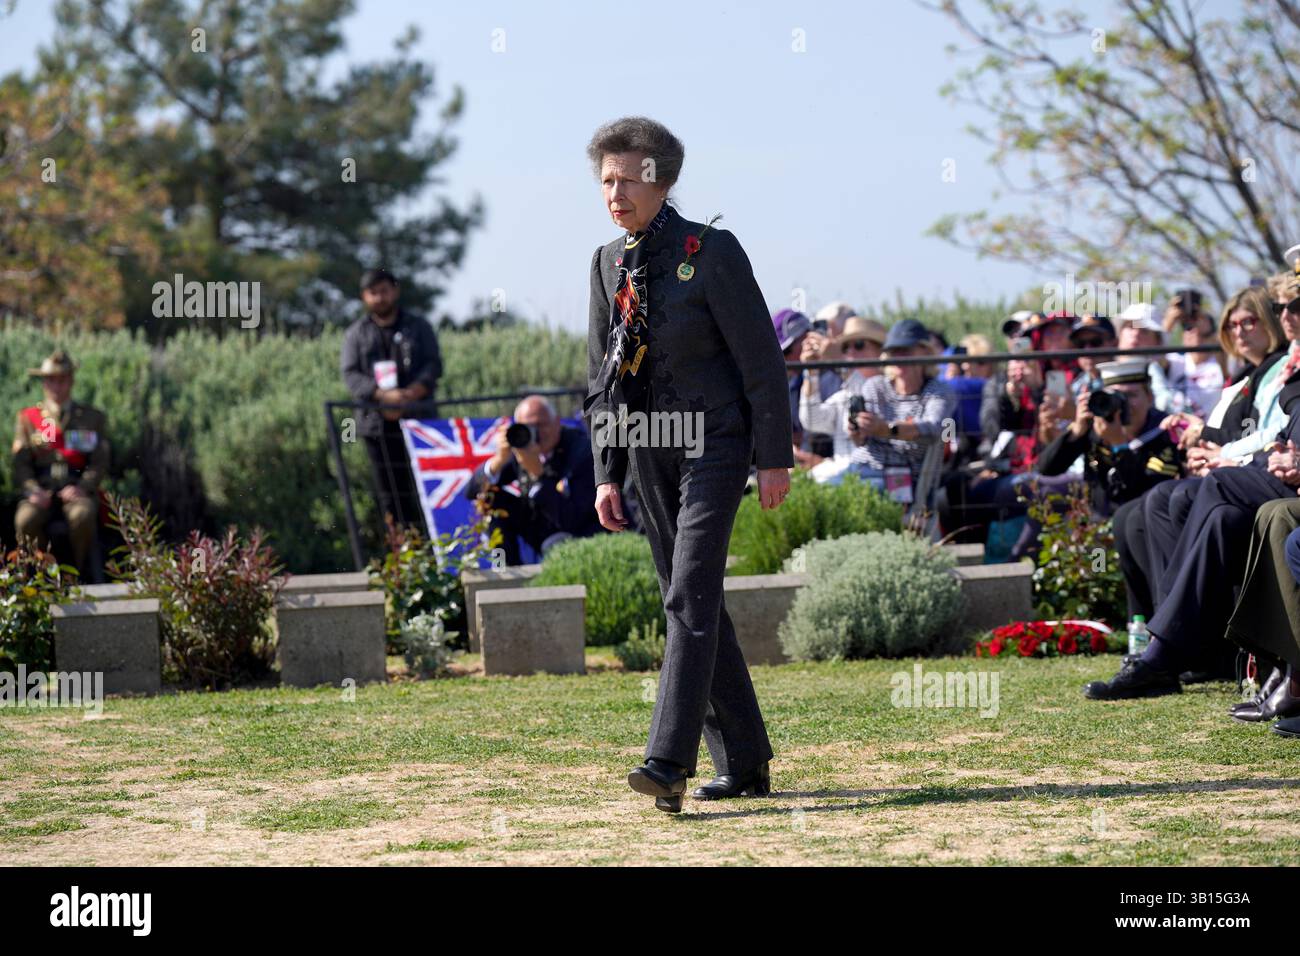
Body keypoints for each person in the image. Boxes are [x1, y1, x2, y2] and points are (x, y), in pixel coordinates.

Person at [583, 116, 793, 813]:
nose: (616, 191)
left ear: (663, 180)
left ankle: (666, 761)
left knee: (688, 596)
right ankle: (745, 760)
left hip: (715, 443)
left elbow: (761, 363)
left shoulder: (712, 252)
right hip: (647, 449)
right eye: (606, 178)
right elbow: (601, 380)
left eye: (629, 177)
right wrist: (606, 471)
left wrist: (773, 458)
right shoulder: (606, 262)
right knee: (695, 601)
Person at [340, 268, 443, 530]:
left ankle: (435, 547)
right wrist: (383, 396)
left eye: (384, 291)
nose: (380, 298)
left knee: (428, 487)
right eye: (373, 293)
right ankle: (402, 551)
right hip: (377, 427)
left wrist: (410, 395)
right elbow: (351, 375)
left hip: (420, 422)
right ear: (364, 297)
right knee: (391, 493)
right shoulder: (356, 333)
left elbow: (433, 365)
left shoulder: (418, 327)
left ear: (395, 291)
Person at [463, 395, 603, 565]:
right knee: (490, 498)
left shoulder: (582, 451)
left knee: (562, 535)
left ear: (557, 422)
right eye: (528, 427)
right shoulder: (522, 448)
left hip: (585, 534)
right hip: (542, 530)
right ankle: (502, 570)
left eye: (541, 425)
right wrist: (498, 461)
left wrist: (538, 475)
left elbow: (573, 519)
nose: (536, 433)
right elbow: (471, 492)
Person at [12, 350, 110, 578]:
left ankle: (75, 572)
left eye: (62, 380)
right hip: (41, 489)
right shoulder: (29, 418)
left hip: (75, 487)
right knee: (25, 520)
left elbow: (99, 461)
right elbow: (20, 462)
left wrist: (83, 487)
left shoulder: (91, 417)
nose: (57, 386)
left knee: (82, 515)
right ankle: (41, 573)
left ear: (71, 381)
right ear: (44, 383)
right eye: (51, 380)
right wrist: (32, 490)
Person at [845, 318, 957, 514]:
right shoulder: (876, 386)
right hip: (863, 466)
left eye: (906, 350)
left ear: (925, 352)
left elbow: (934, 427)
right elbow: (862, 441)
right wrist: (858, 431)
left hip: (904, 477)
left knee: (859, 496)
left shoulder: (939, 391)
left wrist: (886, 430)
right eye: (894, 351)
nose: (899, 357)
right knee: (826, 490)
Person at [797, 314, 889, 475]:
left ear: (880, 351)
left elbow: (869, 395)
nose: (850, 352)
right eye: (845, 347)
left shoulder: (889, 388)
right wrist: (811, 371)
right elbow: (811, 420)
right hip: (844, 481)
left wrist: (838, 360)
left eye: (859, 345)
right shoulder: (845, 393)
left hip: (873, 478)